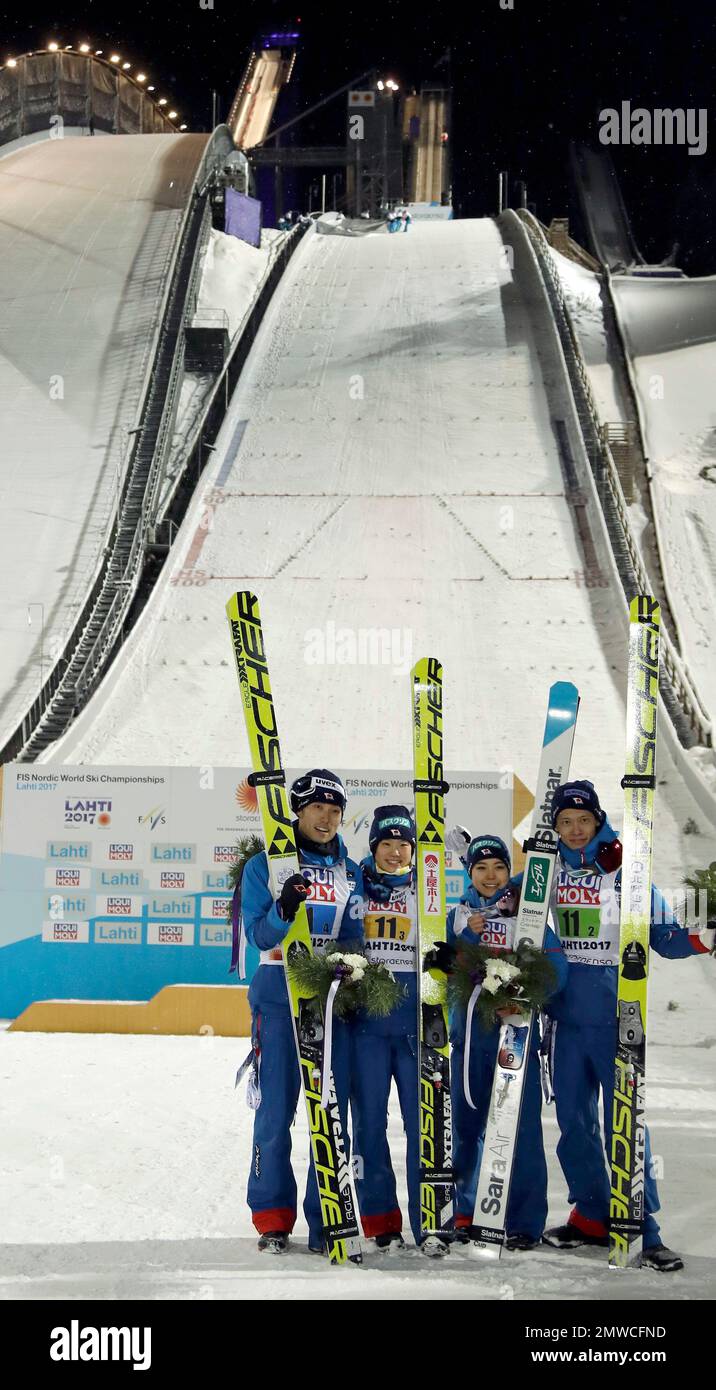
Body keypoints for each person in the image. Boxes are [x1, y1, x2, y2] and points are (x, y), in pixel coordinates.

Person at [542, 780, 715, 1271]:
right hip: (564, 1020)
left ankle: (644, 1227)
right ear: (555, 827)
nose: (575, 830)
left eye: (584, 821)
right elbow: (515, 918)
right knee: (573, 1124)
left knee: (627, 1124)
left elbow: (664, 937)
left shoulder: (626, 874)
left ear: (598, 822)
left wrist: (702, 937)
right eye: (565, 822)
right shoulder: (545, 872)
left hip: (618, 1019)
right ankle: (592, 1215)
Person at [239, 768, 363, 1254]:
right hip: (277, 999)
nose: (327, 819)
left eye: (335, 812)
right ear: (298, 811)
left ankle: (325, 1215)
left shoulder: (348, 872)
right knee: (275, 1114)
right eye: (318, 809)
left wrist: (351, 967)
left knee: (330, 1115)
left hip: (330, 1004)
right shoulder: (264, 866)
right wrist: (285, 907)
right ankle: (271, 1216)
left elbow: (354, 939)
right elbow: (260, 936)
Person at [445, 831, 567, 1250]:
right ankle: (464, 1212)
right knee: (467, 1126)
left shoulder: (527, 920)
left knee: (522, 1130)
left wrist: (525, 995)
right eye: (481, 868)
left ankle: (523, 1220)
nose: (491, 875)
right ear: (469, 872)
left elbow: (557, 970)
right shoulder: (458, 916)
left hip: (515, 1036)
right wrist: (469, 937)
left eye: (499, 866)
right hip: (469, 1041)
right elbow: (444, 970)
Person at [350, 805, 423, 1253]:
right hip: (367, 1030)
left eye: (403, 845)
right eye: (387, 844)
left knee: (426, 1124)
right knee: (369, 1126)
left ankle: (431, 1217)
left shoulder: (426, 893)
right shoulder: (356, 889)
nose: (395, 853)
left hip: (416, 1028)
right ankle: (379, 1220)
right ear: (374, 846)